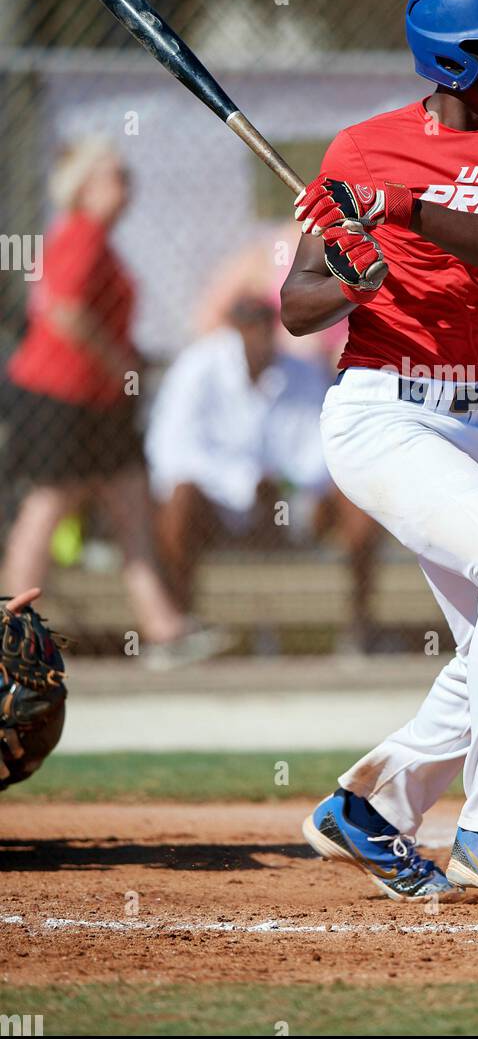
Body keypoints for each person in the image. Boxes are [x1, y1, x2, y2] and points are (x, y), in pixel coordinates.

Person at [281, 0, 478, 902]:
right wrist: (349, 284)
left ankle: (366, 810)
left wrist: (407, 210)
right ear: (450, 61)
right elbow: (296, 305)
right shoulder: (360, 151)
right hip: (382, 411)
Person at [1, 138, 223, 667]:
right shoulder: (80, 233)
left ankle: (163, 629)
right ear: (85, 185)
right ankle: (12, 633)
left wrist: (126, 361)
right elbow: (66, 314)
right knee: (46, 510)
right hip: (62, 397)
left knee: (131, 512)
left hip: (99, 403)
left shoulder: (95, 238)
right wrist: (120, 362)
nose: (128, 187)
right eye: (116, 176)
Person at [146, 295, 381, 650]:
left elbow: (322, 446)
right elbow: (170, 450)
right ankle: (182, 626)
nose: (258, 335)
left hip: (292, 503)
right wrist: (243, 483)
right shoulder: (197, 368)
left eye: (264, 325)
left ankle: (359, 630)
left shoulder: (299, 369)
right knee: (179, 498)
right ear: (232, 329)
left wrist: (285, 486)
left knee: (358, 502)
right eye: (248, 326)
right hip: (218, 506)